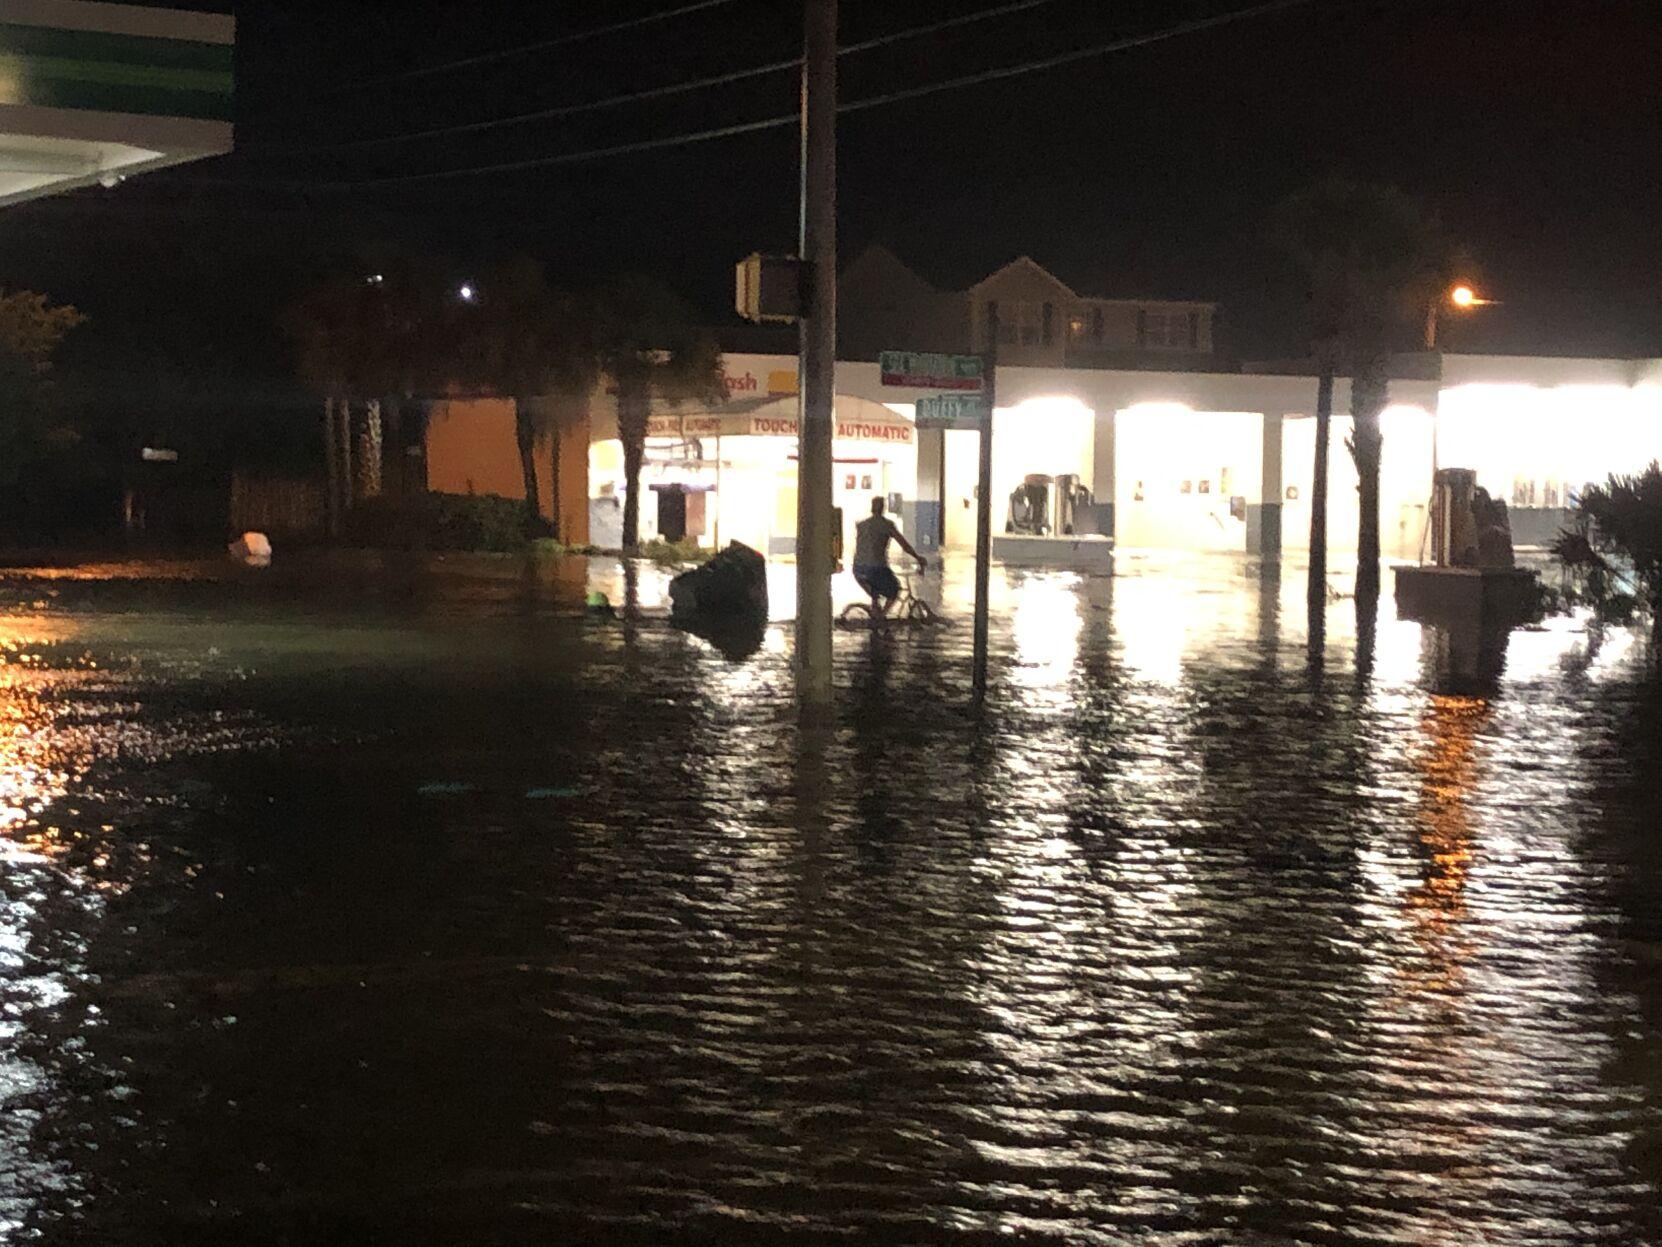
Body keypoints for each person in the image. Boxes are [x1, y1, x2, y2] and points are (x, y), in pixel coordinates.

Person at [852, 497, 925, 617]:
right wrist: (918, 558)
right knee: (894, 590)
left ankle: (875, 609)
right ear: (883, 508)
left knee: (875, 591)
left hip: (858, 569)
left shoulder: (861, 525)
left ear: (871, 508)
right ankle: (881, 617)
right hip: (876, 569)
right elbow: (904, 545)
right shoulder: (887, 525)